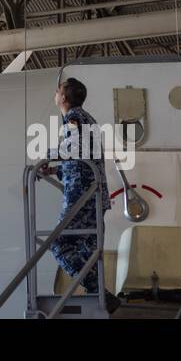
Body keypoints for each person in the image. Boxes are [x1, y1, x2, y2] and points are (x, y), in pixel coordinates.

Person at [43, 76, 116, 312]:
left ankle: (96, 289)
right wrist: (55, 169)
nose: (55, 94)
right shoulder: (86, 119)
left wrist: (48, 154)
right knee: (87, 247)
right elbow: (81, 157)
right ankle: (100, 292)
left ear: (63, 97)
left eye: (58, 91)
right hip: (93, 193)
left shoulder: (73, 118)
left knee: (58, 244)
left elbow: (73, 148)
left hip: (81, 195)